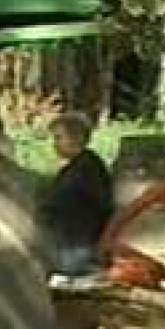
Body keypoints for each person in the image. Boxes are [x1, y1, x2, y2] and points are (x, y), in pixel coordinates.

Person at [39, 111, 115, 277]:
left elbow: (56, 204)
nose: (55, 144)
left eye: (59, 138)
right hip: (68, 244)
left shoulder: (85, 171)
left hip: (76, 249)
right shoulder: (79, 166)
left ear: (77, 138)